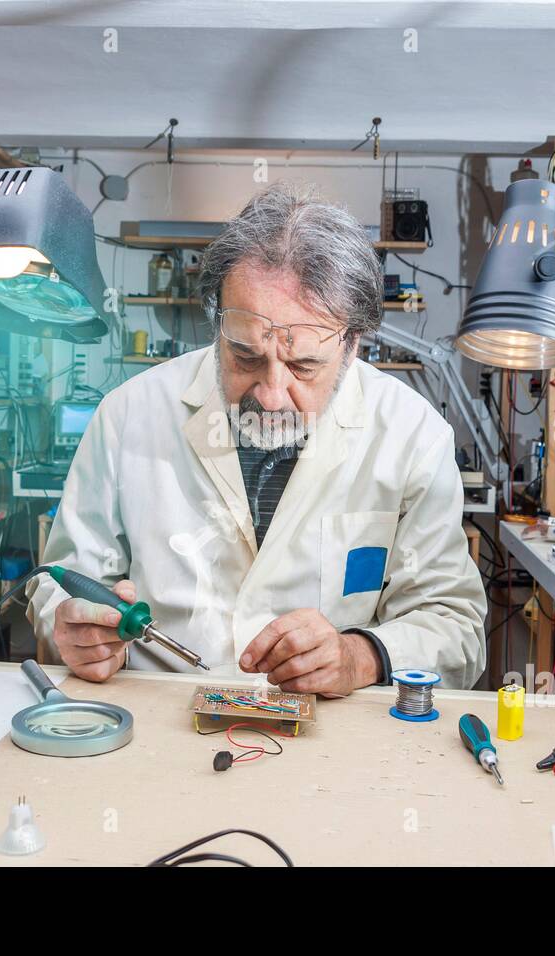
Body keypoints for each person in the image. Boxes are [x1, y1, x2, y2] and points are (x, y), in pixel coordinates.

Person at [26, 181, 487, 693]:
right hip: (157, 723)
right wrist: (70, 627)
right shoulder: (129, 415)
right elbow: (59, 581)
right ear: (215, 322)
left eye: (305, 365)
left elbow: (457, 626)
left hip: (330, 735)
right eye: (245, 356)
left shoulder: (411, 435)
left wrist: (362, 656)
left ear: (353, 344)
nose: (270, 394)